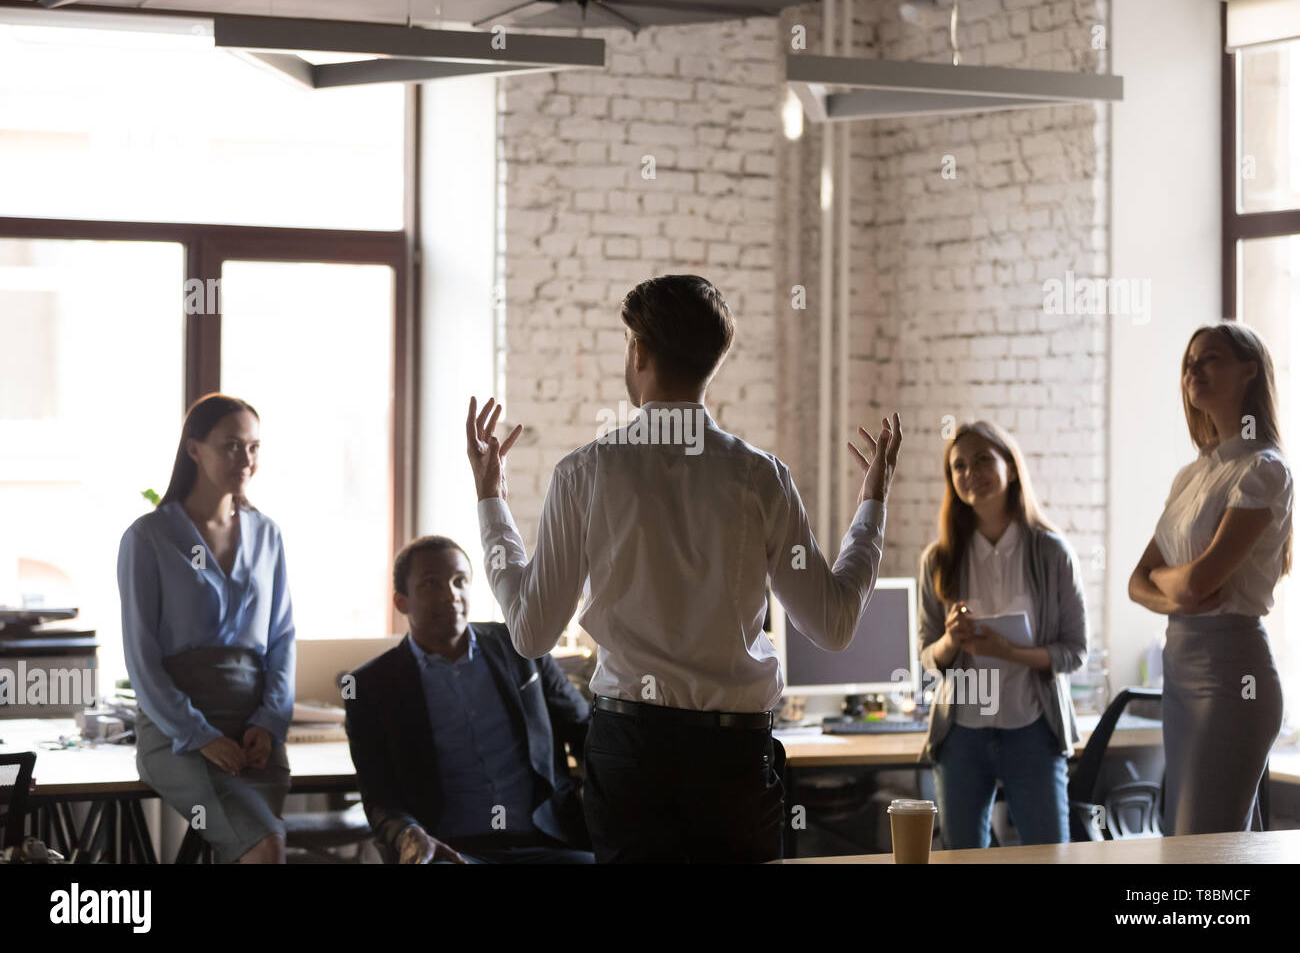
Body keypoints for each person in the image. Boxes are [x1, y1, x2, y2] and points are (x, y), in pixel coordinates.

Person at [465, 273, 902, 862]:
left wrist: (491, 499)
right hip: (733, 762)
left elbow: (531, 631)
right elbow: (833, 624)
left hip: (631, 757)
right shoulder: (763, 477)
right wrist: (871, 507)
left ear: (638, 351)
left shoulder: (584, 473)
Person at [117, 394, 294, 864]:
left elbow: (281, 640)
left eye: (254, 447)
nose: (246, 459)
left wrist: (270, 721)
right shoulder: (148, 538)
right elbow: (141, 658)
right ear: (193, 448)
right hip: (177, 731)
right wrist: (198, 734)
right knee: (264, 846)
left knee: (259, 843)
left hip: (254, 731)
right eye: (232, 446)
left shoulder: (268, 534)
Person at [1129, 323, 1290, 835]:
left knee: (1203, 847)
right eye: (1189, 362)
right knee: (1203, 840)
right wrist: (1174, 586)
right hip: (1180, 668)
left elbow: (1199, 583)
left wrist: (1168, 580)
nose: (1193, 369)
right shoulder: (1191, 474)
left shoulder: (1264, 469)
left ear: (1249, 371)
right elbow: (1136, 581)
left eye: (1210, 358)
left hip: (1231, 675)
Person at [344, 535, 594, 864]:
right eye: (432, 584)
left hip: (548, 839)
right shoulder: (370, 687)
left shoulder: (521, 647)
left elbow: (585, 732)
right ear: (401, 601)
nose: (451, 595)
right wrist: (407, 832)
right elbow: (379, 797)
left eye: (460, 581)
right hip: (451, 850)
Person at [916, 421, 1087, 849]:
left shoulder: (1051, 553)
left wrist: (1009, 651)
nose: (970, 473)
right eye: (958, 466)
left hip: (1032, 728)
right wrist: (952, 641)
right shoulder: (939, 560)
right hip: (962, 735)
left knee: (1047, 856)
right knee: (964, 860)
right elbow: (926, 654)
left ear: (1010, 466)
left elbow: (1074, 651)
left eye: (982, 460)